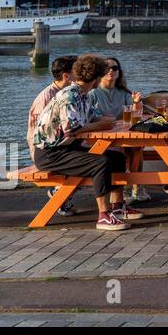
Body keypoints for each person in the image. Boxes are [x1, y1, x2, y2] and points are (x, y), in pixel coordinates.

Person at [31, 53, 141, 231]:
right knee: (100, 163)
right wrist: (102, 124)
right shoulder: (70, 96)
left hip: (68, 149)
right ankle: (103, 216)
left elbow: (95, 117)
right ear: (96, 78)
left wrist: (106, 120)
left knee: (117, 158)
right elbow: (71, 129)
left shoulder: (83, 95)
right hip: (51, 154)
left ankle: (118, 206)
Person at [91, 57, 152, 202]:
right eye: (107, 68)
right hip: (100, 136)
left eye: (115, 68)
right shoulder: (92, 93)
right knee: (130, 148)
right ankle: (125, 187)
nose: (111, 70)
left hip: (121, 135)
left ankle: (136, 186)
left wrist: (136, 103)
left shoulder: (124, 92)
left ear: (119, 72)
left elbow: (136, 114)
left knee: (136, 147)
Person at [27, 55, 77, 217]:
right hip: (45, 152)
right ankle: (58, 192)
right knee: (94, 159)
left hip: (59, 147)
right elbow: (43, 135)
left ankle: (60, 193)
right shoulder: (47, 97)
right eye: (77, 71)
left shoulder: (67, 93)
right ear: (66, 75)